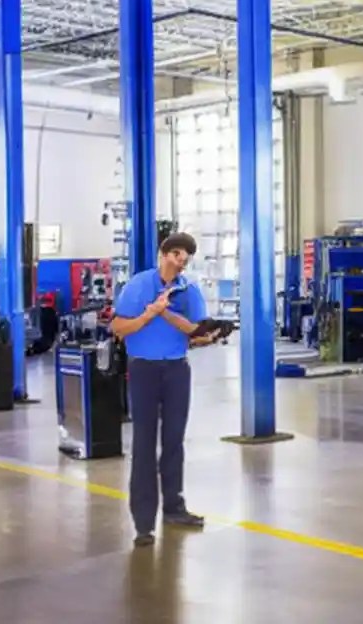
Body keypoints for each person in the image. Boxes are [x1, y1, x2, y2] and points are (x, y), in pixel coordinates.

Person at [111, 232, 215, 545]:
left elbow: (197, 333)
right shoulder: (138, 286)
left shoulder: (189, 290)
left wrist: (206, 336)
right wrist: (149, 314)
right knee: (144, 443)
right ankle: (143, 523)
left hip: (176, 369)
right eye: (176, 255)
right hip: (143, 369)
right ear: (163, 254)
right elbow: (118, 328)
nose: (180, 262)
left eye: (186, 258)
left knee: (174, 440)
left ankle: (174, 507)